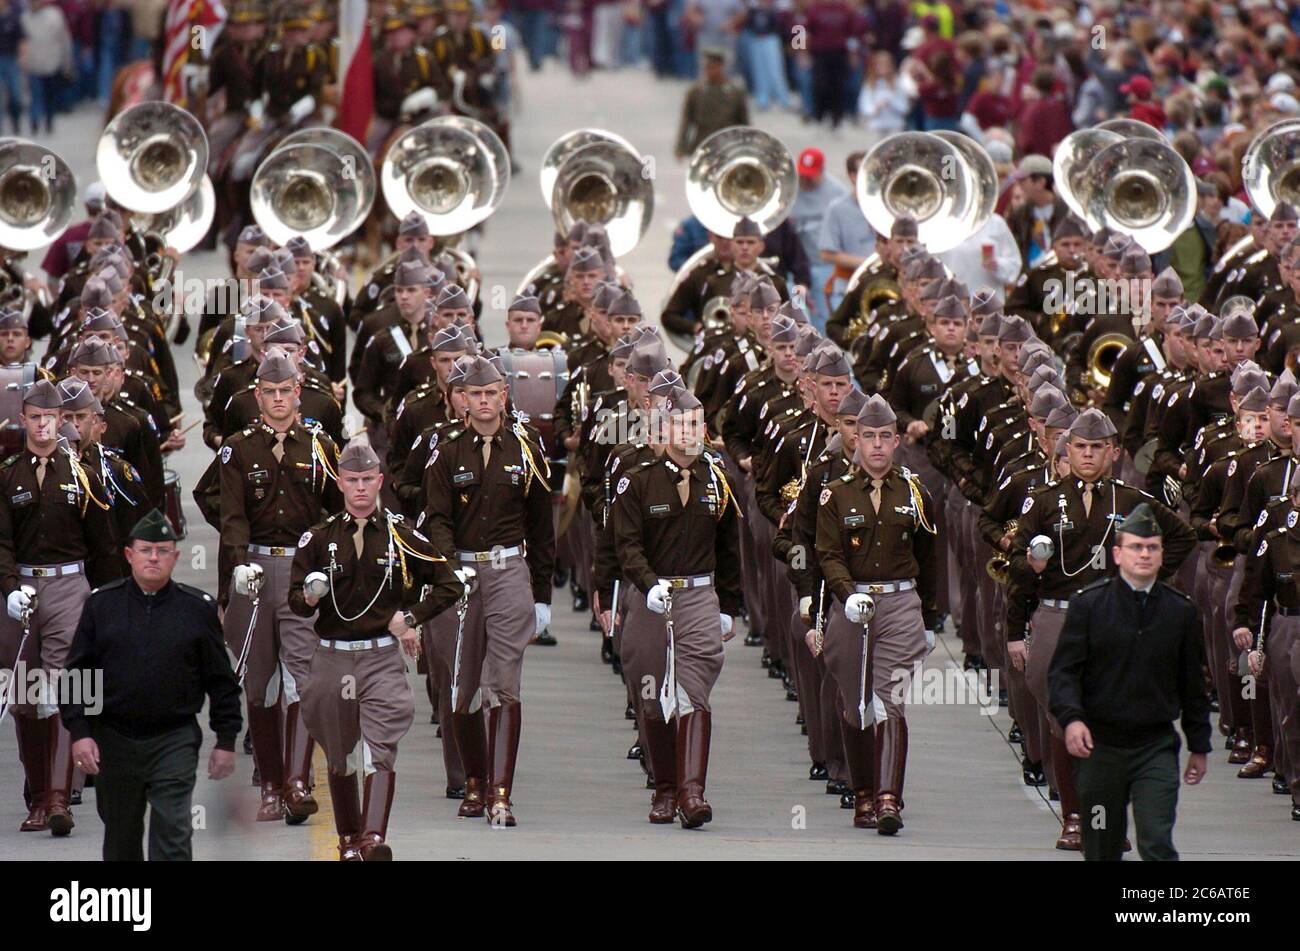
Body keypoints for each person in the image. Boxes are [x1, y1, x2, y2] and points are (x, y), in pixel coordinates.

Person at [290, 439, 463, 860]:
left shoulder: (403, 536)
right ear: (340, 483)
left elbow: (449, 584)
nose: (361, 488)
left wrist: (413, 618)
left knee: (379, 750)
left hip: (381, 657)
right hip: (332, 656)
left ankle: (373, 837)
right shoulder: (318, 537)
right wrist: (309, 597)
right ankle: (349, 840)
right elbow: (294, 601)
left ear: (381, 481)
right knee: (339, 754)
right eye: (353, 480)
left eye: (368, 479)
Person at [59, 509, 242, 861]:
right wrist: (80, 732)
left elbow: (221, 682)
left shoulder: (196, 610)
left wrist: (226, 740)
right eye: (145, 550)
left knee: (172, 834)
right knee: (121, 840)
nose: (153, 558)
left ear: (176, 556)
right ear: (129, 555)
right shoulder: (101, 606)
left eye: (162, 550)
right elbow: (77, 674)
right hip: (114, 741)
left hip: (173, 739)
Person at [421, 355, 555, 826]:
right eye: (475, 394)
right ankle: (474, 783)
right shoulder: (446, 449)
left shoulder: (527, 446)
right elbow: (434, 517)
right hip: (460, 574)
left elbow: (542, 527)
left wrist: (542, 597)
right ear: (463, 400)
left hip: (508, 571)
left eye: (491, 393)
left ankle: (502, 792)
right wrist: (445, 567)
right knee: (461, 685)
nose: (483, 401)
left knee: (504, 683)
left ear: (504, 395)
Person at [1049, 503, 1212, 861]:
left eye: (1152, 547)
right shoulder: (1089, 606)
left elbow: (1192, 686)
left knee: (1156, 839)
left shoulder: (1179, 611)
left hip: (1154, 747)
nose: (1144, 554)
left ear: (1162, 554)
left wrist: (1199, 745)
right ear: (1118, 553)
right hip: (1100, 749)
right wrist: (1072, 719)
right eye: (1136, 547)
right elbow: (1063, 673)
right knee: (1102, 845)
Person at [612, 386, 740, 826]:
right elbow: (626, 546)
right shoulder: (639, 479)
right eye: (679, 425)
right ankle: (665, 787)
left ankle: (692, 793)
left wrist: (729, 605)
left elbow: (729, 549)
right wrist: (647, 586)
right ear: (663, 430)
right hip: (652, 598)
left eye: (695, 426)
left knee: (694, 691)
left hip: (699, 596)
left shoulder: (718, 478)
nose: (689, 433)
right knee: (651, 693)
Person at [0, 378, 120, 836]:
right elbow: (2, 541)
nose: (45, 425)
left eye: (51, 418)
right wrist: (10, 586)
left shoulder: (83, 474)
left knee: (64, 685)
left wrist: (111, 605)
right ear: (25, 420)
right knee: (27, 696)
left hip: (70, 585)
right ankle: (35, 794)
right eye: (36, 417)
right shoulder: (8, 473)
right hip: (23, 589)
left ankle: (58, 798)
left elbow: (104, 547)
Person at [674, 45, 748, 161]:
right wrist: (680, 148)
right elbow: (686, 121)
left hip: (728, 145)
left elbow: (744, 123)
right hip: (703, 144)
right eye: (707, 68)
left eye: (713, 67)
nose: (710, 71)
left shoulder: (735, 92)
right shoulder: (696, 92)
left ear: (721, 67)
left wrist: (746, 147)